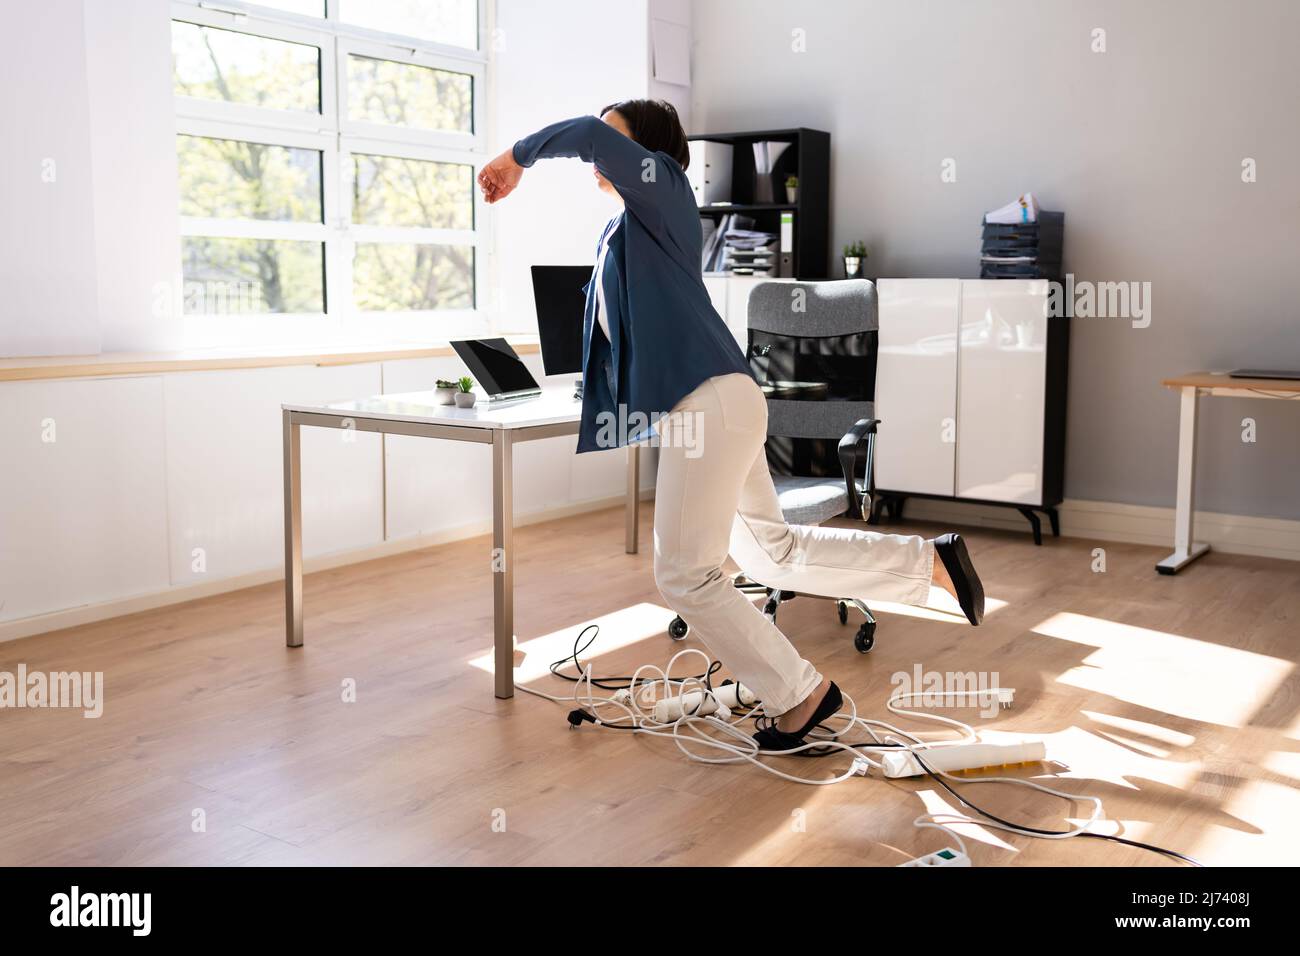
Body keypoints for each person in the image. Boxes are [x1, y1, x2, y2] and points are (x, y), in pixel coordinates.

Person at [478, 100, 985, 750]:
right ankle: (929, 564)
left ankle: (798, 694)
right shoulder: (630, 229)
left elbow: (581, 135)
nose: (600, 150)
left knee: (685, 574)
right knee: (773, 552)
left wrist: (514, 158)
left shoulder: (662, 189)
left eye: (615, 135)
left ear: (649, 152)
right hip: (726, 399)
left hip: (710, 405)